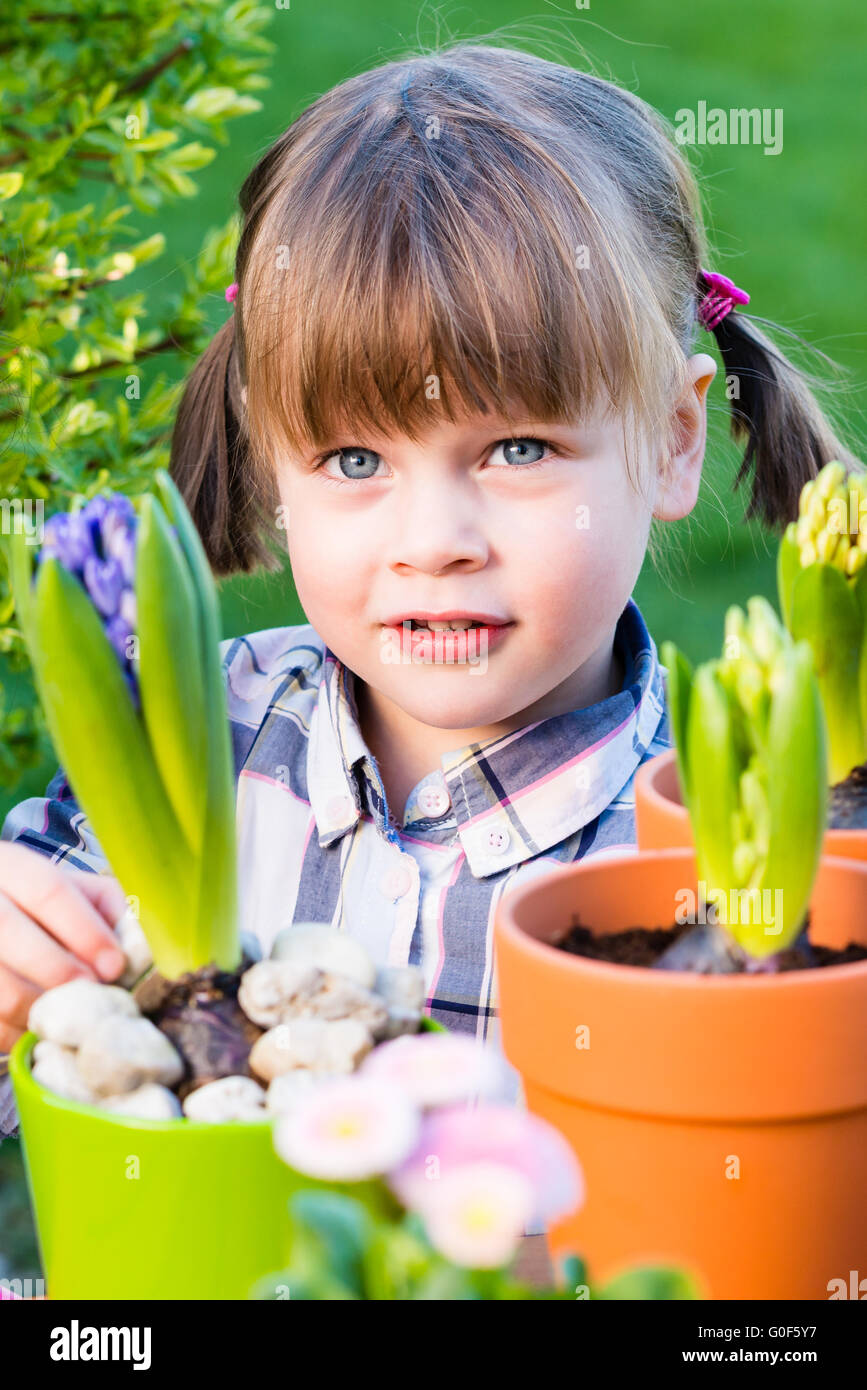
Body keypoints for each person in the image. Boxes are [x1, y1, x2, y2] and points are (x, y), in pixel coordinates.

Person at [0, 43, 856, 1153]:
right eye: (355, 461)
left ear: (671, 442)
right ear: (271, 458)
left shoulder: (726, 842)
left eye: (515, 448)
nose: (434, 543)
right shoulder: (179, 741)